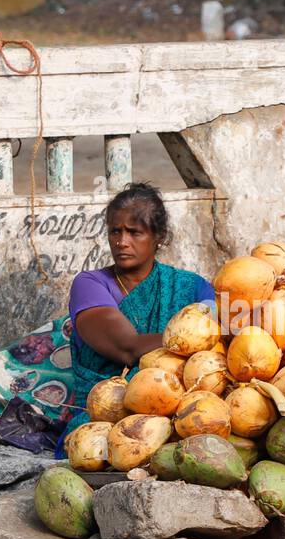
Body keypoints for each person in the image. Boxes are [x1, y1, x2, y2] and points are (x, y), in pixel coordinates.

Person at [63, 182, 214, 440]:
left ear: (160, 237)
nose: (122, 242)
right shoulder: (90, 284)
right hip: (105, 416)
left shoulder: (192, 287)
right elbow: (127, 348)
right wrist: (195, 340)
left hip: (178, 411)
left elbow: (215, 345)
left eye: (134, 233)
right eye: (115, 232)